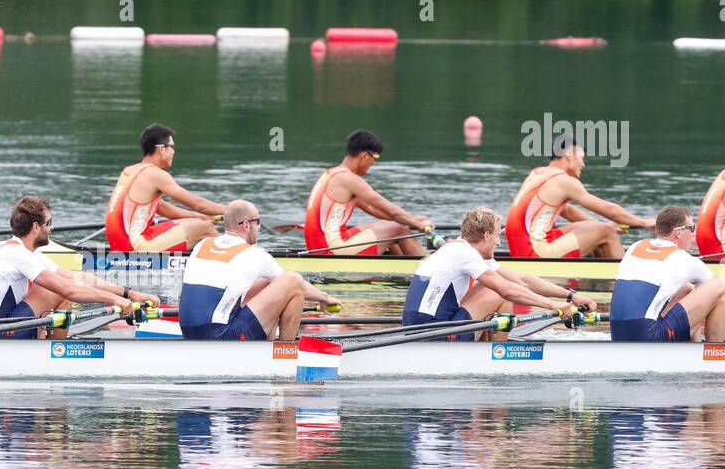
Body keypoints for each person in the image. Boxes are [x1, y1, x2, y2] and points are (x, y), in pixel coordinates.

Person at [0, 195, 159, 338]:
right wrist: (117, 302)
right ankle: (56, 353)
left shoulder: (25, 252)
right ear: (36, 227)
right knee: (60, 291)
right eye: (49, 223)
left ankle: (50, 343)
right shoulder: (17, 254)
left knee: (59, 286)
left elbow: (78, 278)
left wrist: (128, 294)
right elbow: (69, 290)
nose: (52, 228)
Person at [403, 207, 595, 341]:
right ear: (486, 235)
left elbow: (522, 280)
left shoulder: (460, 249)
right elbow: (507, 289)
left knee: (498, 285)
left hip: (421, 330)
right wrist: (555, 306)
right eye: (498, 235)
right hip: (435, 335)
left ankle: (487, 345)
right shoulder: (465, 254)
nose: (499, 242)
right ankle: (498, 354)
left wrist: (571, 295)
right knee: (499, 291)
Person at [179, 200, 340, 340]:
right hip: (220, 335)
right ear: (246, 225)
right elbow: (297, 285)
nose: (260, 227)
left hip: (188, 331)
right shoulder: (254, 254)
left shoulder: (203, 244)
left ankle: (268, 345)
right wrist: (324, 298)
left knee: (268, 282)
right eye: (258, 221)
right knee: (293, 281)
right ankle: (285, 353)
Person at [611, 205, 725, 342]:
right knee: (719, 288)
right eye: (691, 228)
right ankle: (715, 354)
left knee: (687, 288)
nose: (693, 234)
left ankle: (693, 346)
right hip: (648, 334)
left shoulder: (635, 246)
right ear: (678, 233)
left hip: (617, 332)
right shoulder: (684, 259)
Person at [506, 137, 655, 258]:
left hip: (522, 248)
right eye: (582, 158)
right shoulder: (564, 181)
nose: (583, 164)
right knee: (606, 231)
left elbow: (569, 211)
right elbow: (610, 210)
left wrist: (602, 225)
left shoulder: (538, 173)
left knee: (601, 229)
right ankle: (625, 282)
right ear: (570, 155)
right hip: (535, 253)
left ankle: (598, 278)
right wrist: (643, 223)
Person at [304, 129, 434, 256]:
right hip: (331, 249)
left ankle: (403, 270)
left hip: (319, 247)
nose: (374, 163)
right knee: (399, 229)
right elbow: (391, 211)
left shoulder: (331, 174)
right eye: (375, 157)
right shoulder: (349, 179)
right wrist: (421, 226)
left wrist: (413, 220)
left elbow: (372, 208)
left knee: (393, 227)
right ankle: (427, 272)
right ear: (364, 155)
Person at [105, 124, 227, 253]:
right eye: (172, 147)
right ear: (161, 149)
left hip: (119, 244)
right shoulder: (155, 174)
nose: (174, 151)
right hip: (133, 247)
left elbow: (162, 207)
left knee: (198, 222)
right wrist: (234, 210)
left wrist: (198, 217)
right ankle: (228, 259)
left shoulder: (129, 171)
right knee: (206, 228)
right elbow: (199, 204)